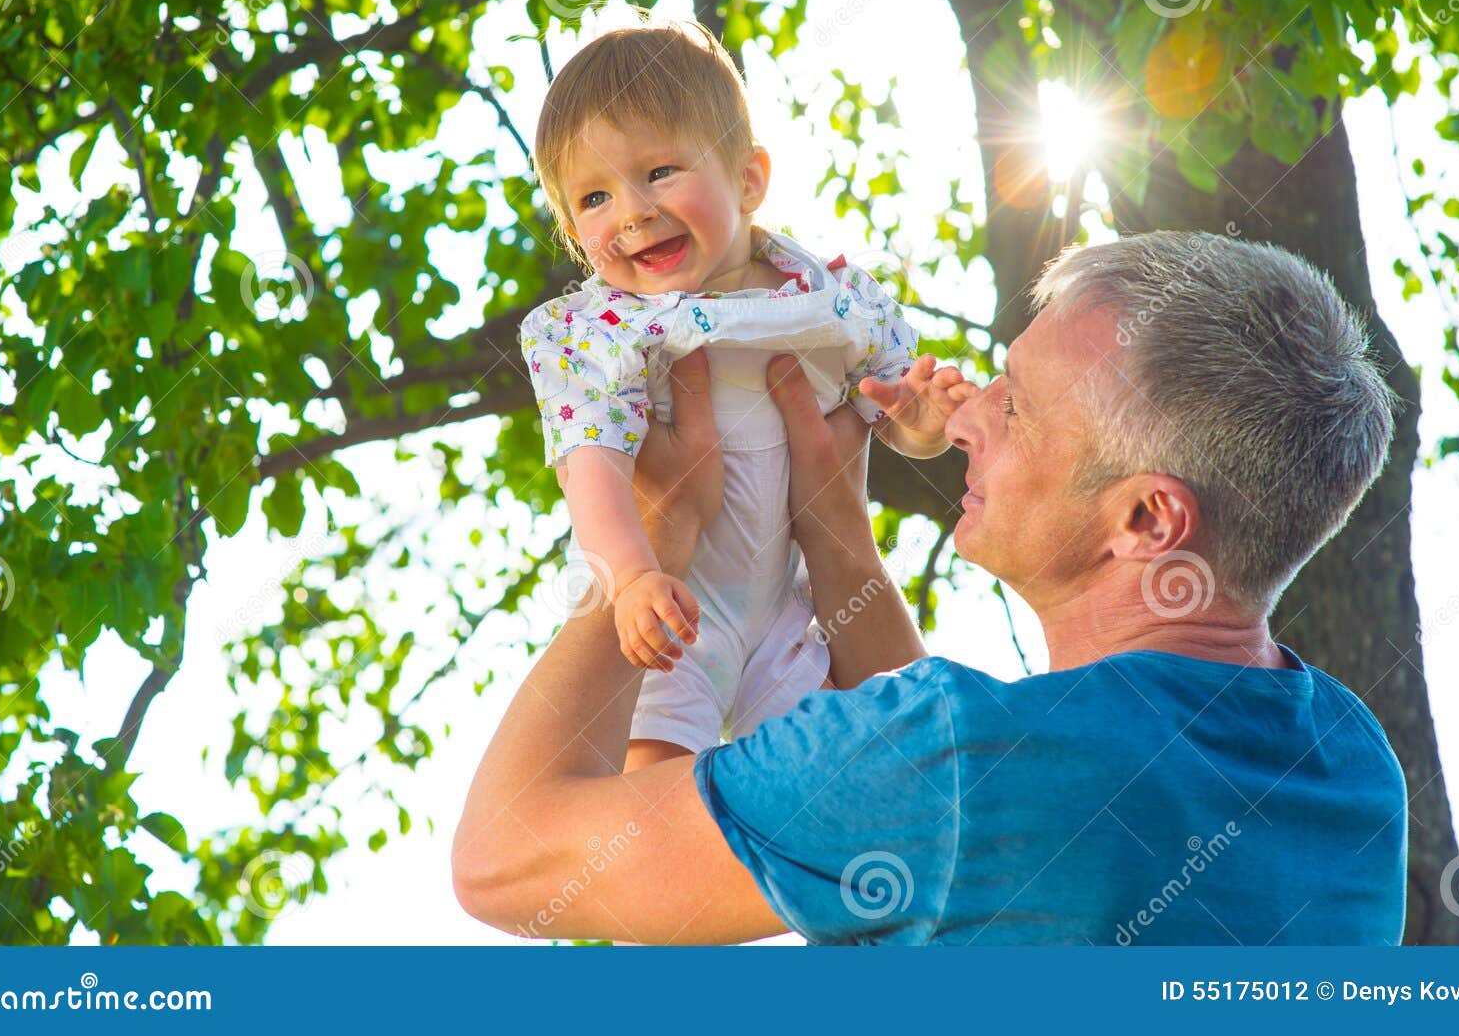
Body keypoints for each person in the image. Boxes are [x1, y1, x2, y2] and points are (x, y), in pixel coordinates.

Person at [457, 230, 1409, 945]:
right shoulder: (1348, 768)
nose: (967, 421)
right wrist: (832, 530)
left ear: (1147, 522)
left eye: (1018, 406)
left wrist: (658, 534)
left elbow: (503, 859)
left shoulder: (944, 761)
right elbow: (1001, 825)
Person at [519, 20, 974, 767]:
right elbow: (592, 466)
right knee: (657, 794)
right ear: (573, 233)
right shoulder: (598, 327)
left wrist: (924, 423)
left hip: (792, 613)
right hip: (667, 595)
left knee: (840, 774)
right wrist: (632, 578)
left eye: (660, 171)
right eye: (595, 197)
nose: (632, 211)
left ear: (749, 178)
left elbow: (890, 406)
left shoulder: (833, 296)